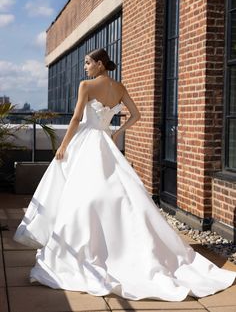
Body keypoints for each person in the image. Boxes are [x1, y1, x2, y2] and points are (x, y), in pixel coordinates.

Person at [14, 48, 236, 301]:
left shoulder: (86, 85)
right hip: (106, 142)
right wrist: (117, 133)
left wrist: (63, 146)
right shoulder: (119, 87)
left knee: (80, 195)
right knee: (118, 193)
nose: (84, 67)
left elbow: (76, 118)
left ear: (99, 64)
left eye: (87, 62)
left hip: (86, 142)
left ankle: (83, 248)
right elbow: (137, 115)